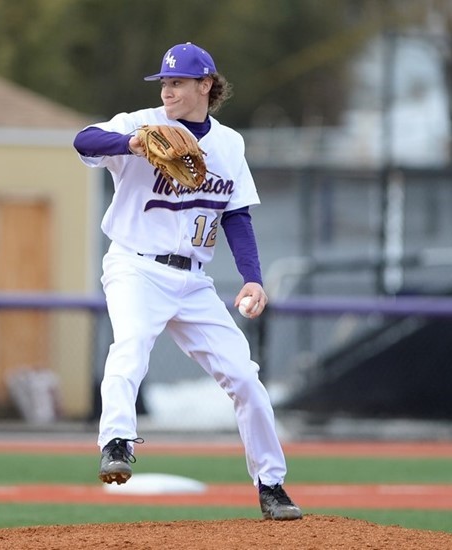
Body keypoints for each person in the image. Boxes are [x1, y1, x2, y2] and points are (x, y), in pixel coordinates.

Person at [73, 42, 302, 521]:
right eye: (164, 82)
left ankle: (271, 484)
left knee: (245, 378)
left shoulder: (230, 144)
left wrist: (253, 279)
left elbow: (236, 215)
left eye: (177, 82)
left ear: (206, 85)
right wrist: (130, 143)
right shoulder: (142, 124)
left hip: (194, 280)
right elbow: (84, 140)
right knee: (131, 343)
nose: (168, 90)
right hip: (135, 266)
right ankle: (116, 441)